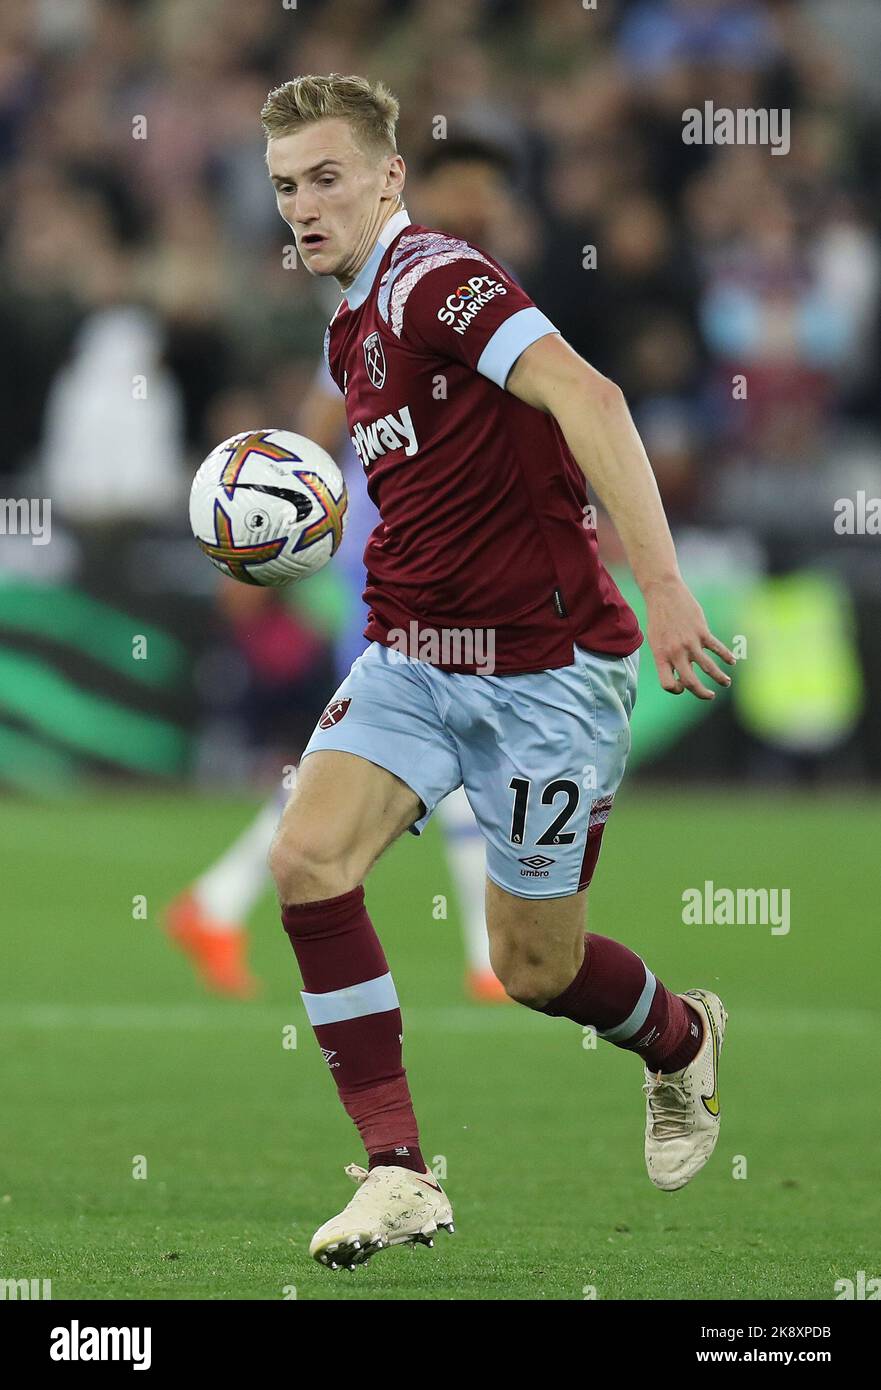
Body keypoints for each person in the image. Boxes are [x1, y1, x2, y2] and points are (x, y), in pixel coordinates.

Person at [261, 73, 734, 1271]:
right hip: (416, 655)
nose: (304, 207)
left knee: (535, 966)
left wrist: (663, 584)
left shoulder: (437, 278)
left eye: (326, 178)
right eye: (284, 187)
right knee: (307, 859)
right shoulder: (347, 325)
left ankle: (679, 1038)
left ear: (386, 178)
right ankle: (396, 1171)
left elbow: (589, 393)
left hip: (546, 672)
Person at [165, 137, 530, 1004]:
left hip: (448, 556)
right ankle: (485, 960)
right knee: (426, 741)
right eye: (468, 186)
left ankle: (215, 902)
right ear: (427, 187)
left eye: (494, 190)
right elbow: (319, 423)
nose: (482, 203)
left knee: (393, 748)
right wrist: (260, 542)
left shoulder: (480, 284)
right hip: (388, 552)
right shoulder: (402, 290)